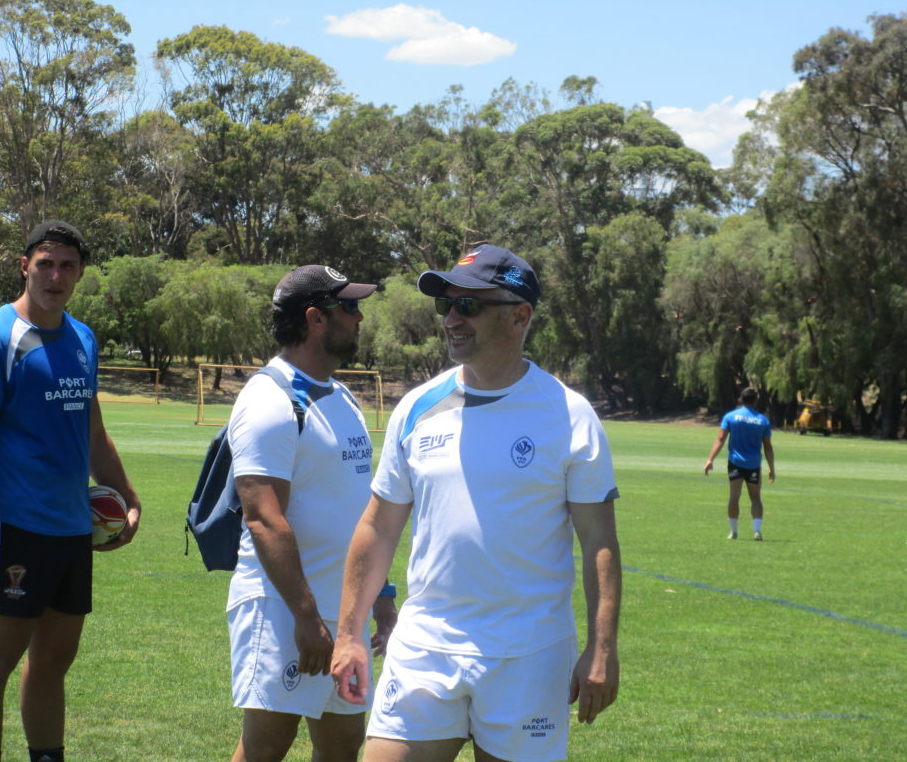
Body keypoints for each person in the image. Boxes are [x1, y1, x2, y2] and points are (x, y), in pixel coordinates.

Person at [331, 244, 622, 762]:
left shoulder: (570, 416)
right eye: (446, 305)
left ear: (520, 316)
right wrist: (348, 633)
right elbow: (378, 527)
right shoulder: (417, 408)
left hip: (528, 655)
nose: (451, 320)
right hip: (425, 645)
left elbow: (599, 542)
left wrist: (602, 649)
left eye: (468, 305)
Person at [0, 220, 141, 762]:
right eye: (45, 264)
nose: (55, 276)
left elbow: (92, 432)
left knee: (52, 664)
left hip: (73, 529)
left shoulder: (82, 338)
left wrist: (126, 494)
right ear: (24, 266)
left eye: (67, 265)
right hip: (13, 526)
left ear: (80, 272)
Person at [226, 264, 397, 762]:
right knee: (267, 746)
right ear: (314, 318)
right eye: (349, 307)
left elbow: (359, 510)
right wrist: (305, 618)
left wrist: (381, 595)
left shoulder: (342, 396)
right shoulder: (270, 399)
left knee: (343, 745)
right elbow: (263, 518)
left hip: (345, 614)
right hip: (284, 610)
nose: (359, 317)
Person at [704, 386, 775, 541]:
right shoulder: (763, 420)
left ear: (742, 399)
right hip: (753, 464)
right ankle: (757, 531)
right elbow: (768, 447)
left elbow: (720, 439)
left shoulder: (730, 417)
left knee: (734, 497)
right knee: (755, 498)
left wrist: (710, 459)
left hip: (735, 463)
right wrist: (771, 468)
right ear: (756, 400)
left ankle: (734, 532)